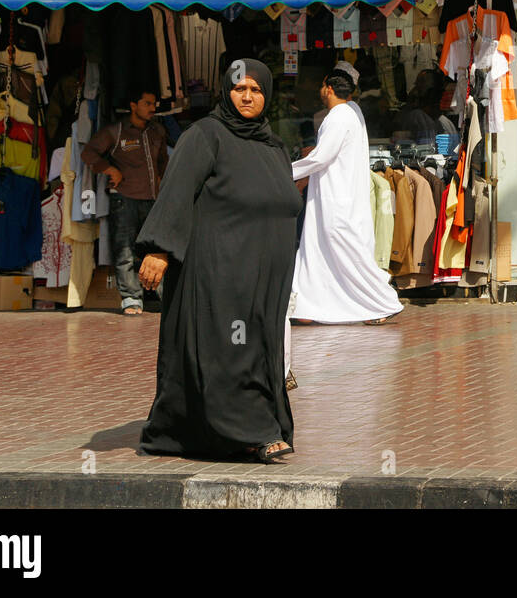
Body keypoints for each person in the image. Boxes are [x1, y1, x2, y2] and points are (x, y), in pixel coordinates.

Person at [135, 59, 300, 463]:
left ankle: (220, 427)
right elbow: (177, 191)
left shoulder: (273, 146)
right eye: (239, 88)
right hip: (218, 268)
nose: (247, 96)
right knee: (231, 344)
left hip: (265, 275)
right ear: (226, 91)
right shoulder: (206, 135)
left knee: (258, 346)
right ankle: (250, 431)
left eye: (256, 90)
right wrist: (159, 248)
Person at [290, 69, 403, 326]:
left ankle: (384, 301)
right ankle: (306, 306)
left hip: (337, 201)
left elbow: (322, 156)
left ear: (328, 88)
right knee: (319, 252)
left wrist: (287, 170)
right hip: (340, 197)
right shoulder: (352, 112)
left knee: (346, 254)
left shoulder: (340, 116)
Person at [81, 84, 168, 314]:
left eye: (154, 104)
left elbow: (163, 162)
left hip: (153, 200)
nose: (152, 108)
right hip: (125, 199)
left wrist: (162, 181)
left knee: (156, 250)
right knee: (125, 251)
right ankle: (131, 298)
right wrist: (110, 170)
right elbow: (88, 153)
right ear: (133, 106)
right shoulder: (116, 132)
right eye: (147, 103)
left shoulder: (157, 131)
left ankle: (164, 298)